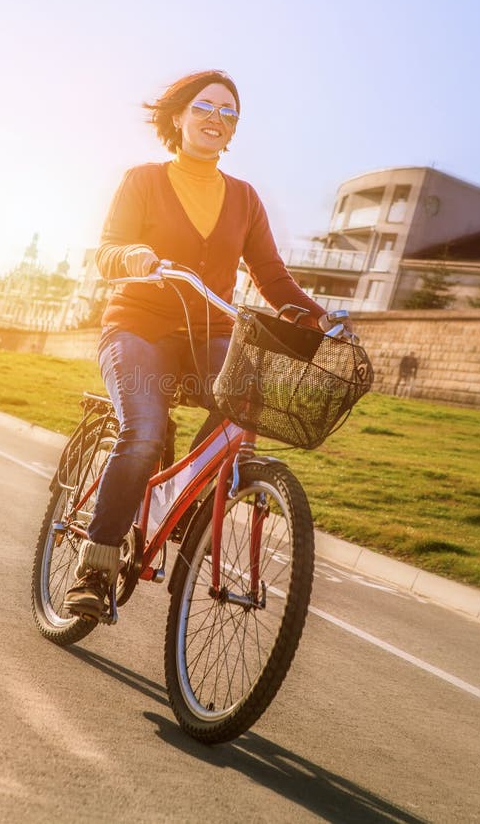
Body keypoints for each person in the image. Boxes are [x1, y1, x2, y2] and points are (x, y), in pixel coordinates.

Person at [65, 69, 337, 620]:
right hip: (137, 327)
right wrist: (136, 258)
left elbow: (271, 274)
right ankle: (96, 565)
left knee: (247, 403)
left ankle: (186, 510)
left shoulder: (243, 197)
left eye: (229, 112)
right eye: (206, 107)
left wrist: (317, 315)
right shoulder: (143, 179)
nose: (217, 118)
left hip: (211, 334)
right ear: (179, 117)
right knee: (142, 432)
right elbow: (108, 250)